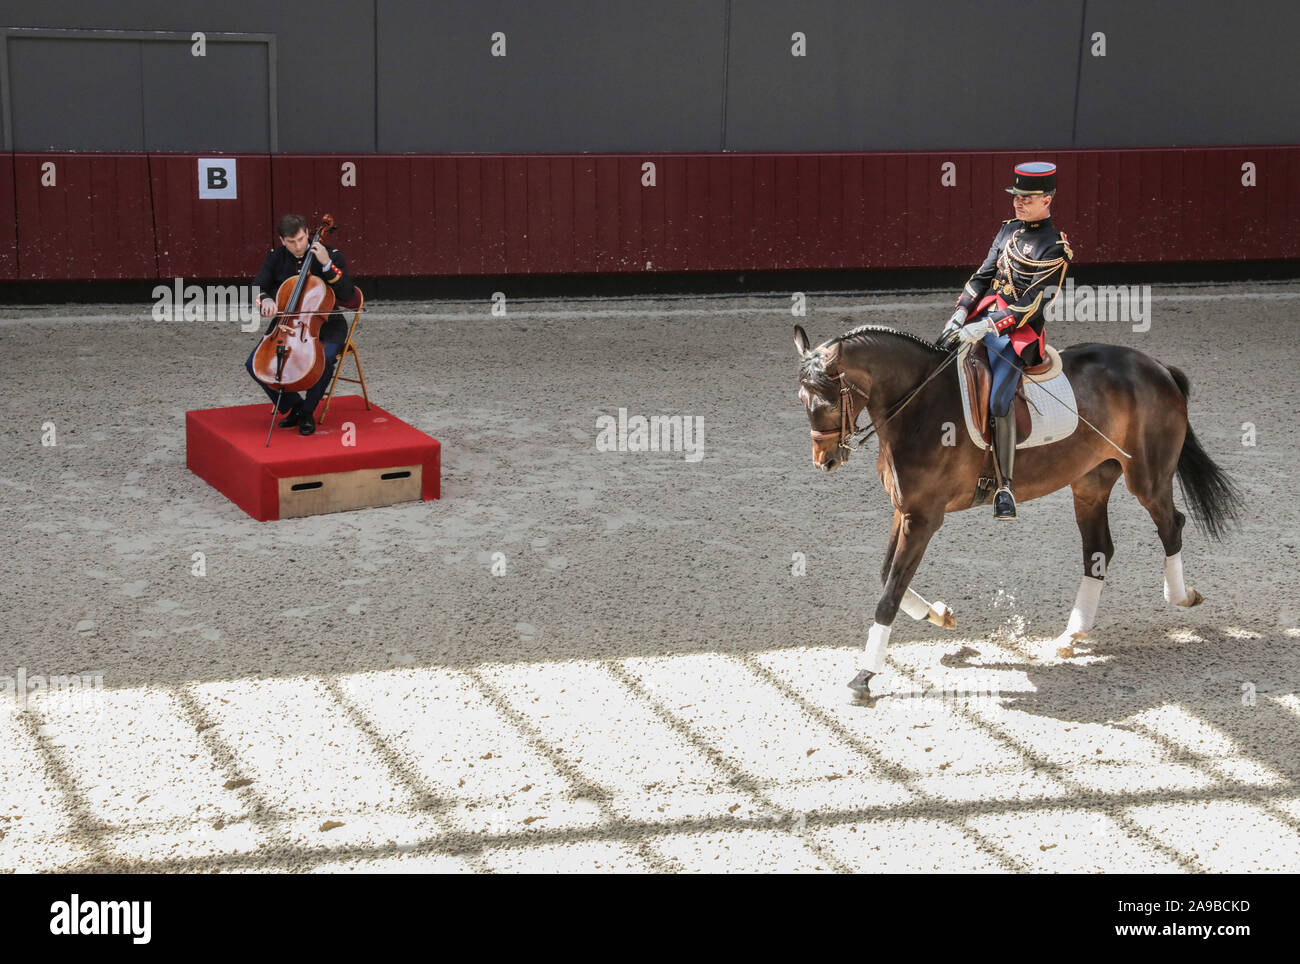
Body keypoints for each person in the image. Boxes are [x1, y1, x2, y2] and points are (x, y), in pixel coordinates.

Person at [939, 161, 1073, 520]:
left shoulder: (1054, 247)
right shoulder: (1008, 231)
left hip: (1017, 336)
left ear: (1047, 200)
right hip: (982, 316)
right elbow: (981, 276)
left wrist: (988, 327)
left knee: (999, 400)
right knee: (939, 360)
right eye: (1016, 196)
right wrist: (961, 311)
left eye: (1026, 199)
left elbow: (1032, 304)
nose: (1018, 203)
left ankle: (1004, 486)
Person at [245, 214, 359, 436]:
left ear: (308, 233)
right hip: (286, 325)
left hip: (327, 324)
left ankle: (307, 411)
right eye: (291, 242)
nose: (297, 246)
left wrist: (326, 264)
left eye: (300, 239)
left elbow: (348, 295)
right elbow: (255, 288)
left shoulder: (331, 255)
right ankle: (294, 406)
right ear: (282, 240)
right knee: (254, 364)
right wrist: (265, 299)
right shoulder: (275, 257)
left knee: (323, 361)